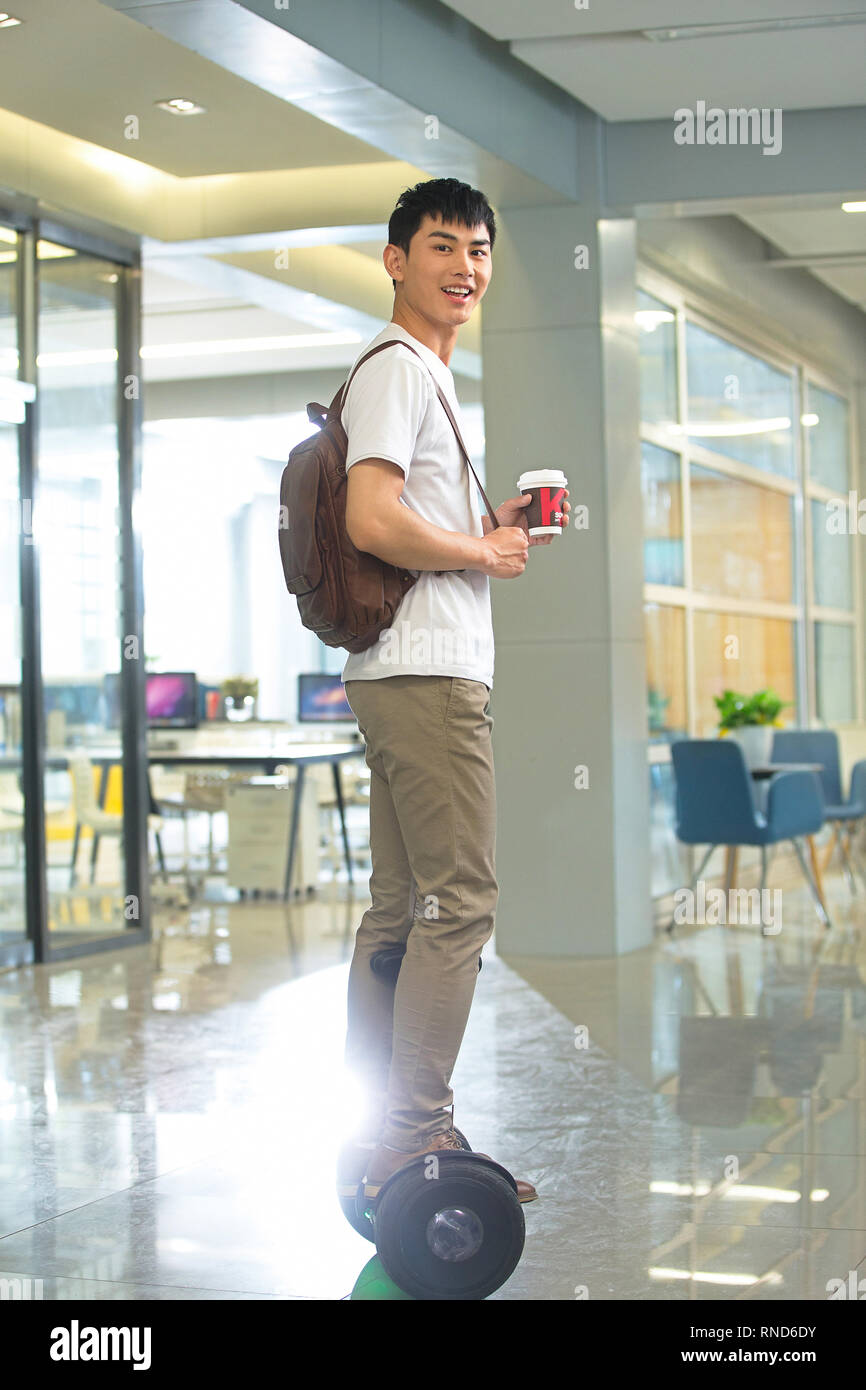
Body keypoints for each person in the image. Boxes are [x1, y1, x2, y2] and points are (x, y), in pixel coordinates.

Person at [337, 177, 570, 1206]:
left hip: (400, 670)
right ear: (396, 261)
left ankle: (380, 1121)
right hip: (426, 673)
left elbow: (406, 516)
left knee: (402, 903)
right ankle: (411, 1128)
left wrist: (486, 526)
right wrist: (478, 543)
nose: (464, 266)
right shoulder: (397, 366)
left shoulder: (420, 375)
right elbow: (371, 519)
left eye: (477, 249)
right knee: (459, 901)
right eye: (441, 246)